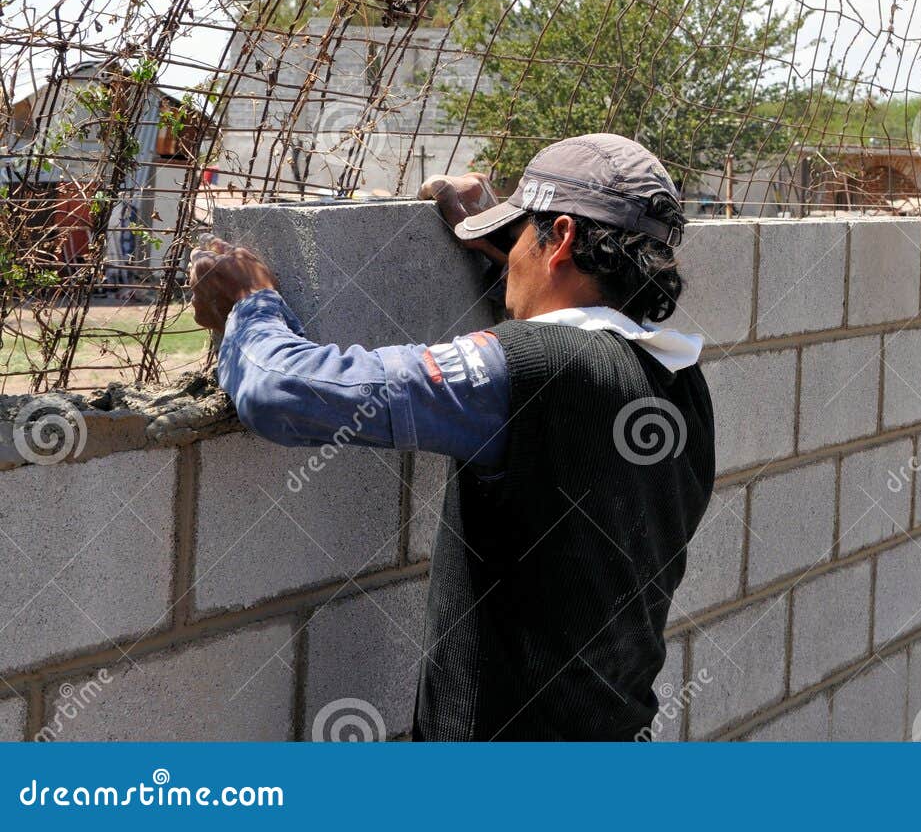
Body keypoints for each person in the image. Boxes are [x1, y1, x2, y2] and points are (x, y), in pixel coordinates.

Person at [187, 133, 715, 741]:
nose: (511, 251)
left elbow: (284, 392)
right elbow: (568, 360)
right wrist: (499, 244)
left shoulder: (533, 373)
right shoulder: (682, 384)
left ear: (561, 239)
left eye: (521, 234)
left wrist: (249, 303)